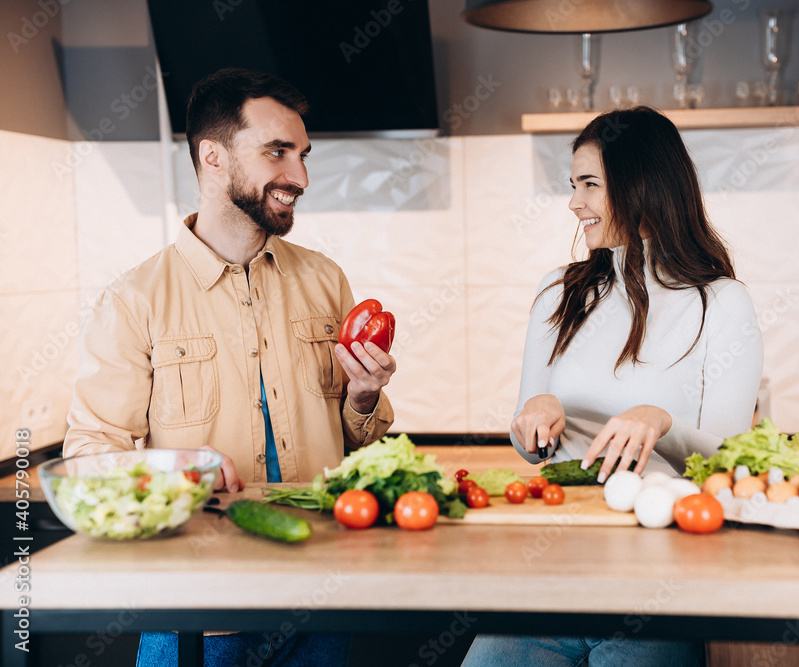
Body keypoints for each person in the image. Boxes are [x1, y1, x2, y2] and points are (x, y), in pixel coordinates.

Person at [63, 68, 396, 665]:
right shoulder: (135, 299)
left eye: (302, 154)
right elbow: (91, 452)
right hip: (195, 608)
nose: (299, 176)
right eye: (277, 152)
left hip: (320, 593)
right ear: (212, 157)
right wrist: (177, 471)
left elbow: (357, 441)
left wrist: (365, 398)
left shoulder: (326, 281)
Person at [462, 107, 763, 666]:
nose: (574, 203)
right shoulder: (558, 292)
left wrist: (662, 423)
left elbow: (731, 460)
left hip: (661, 573)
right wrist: (538, 411)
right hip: (555, 565)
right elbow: (527, 445)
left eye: (590, 185)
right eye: (573, 185)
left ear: (641, 184)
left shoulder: (720, 303)